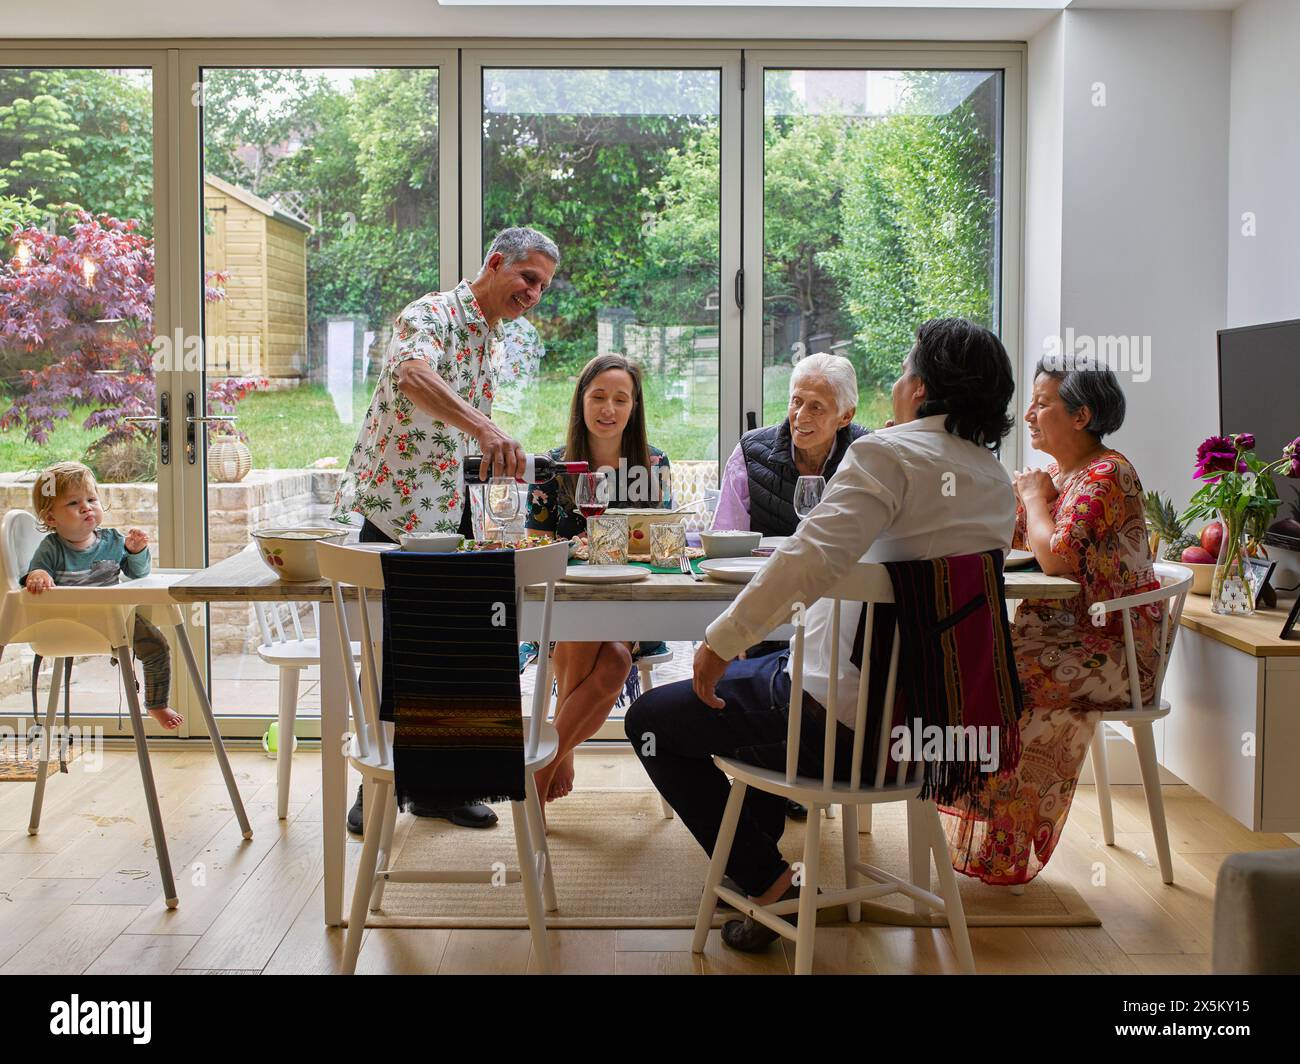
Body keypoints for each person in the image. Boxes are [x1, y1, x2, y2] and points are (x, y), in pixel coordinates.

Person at [625, 318, 1018, 952]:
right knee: (747, 712)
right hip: (929, 734)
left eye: (905, 368)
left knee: (651, 719)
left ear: (920, 388)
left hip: (837, 729)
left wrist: (719, 642)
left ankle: (765, 880)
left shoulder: (887, 455)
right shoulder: (994, 480)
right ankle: (762, 879)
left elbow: (805, 561)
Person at [333, 225, 559, 834]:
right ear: (494, 263)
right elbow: (412, 376)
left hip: (448, 507)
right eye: (528, 279)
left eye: (543, 286)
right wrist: (486, 429)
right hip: (395, 507)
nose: (534, 293)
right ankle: (372, 787)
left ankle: (441, 786)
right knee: (392, 648)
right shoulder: (429, 313)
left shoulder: (490, 332)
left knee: (460, 643)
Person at [939, 361, 1162, 885]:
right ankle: (991, 835)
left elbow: (1056, 557)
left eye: (1043, 404)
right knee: (970, 661)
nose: (1030, 415)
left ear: (1082, 415)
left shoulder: (1108, 473)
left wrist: (1034, 498)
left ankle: (1000, 843)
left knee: (994, 676)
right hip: (1060, 638)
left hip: (1113, 652)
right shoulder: (1062, 476)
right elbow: (1012, 538)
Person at [524, 353, 672, 807]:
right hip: (564, 607)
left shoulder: (652, 463)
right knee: (611, 662)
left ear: (634, 407)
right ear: (581, 402)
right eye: (599, 397)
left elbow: (661, 547)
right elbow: (536, 547)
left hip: (630, 604)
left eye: (620, 399)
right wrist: (580, 551)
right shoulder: (552, 467)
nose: (608, 409)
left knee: (597, 639)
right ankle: (561, 755)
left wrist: (622, 547)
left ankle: (545, 765)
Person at [22, 461, 181, 731]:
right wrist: (38, 576)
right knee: (149, 641)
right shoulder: (51, 548)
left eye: (91, 499)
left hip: (114, 619)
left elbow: (138, 574)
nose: (86, 507)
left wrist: (135, 551)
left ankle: (156, 703)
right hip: (68, 623)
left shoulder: (112, 540)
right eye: (73, 503)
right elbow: (35, 572)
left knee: (157, 646)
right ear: (51, 518)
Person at [711, 352, 870, 536]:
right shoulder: (750, 452)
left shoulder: (868, 453)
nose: (800, 416)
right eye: (797, 401)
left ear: (846, 416)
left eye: (816, 407)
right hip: (765, 564)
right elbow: (727, 537)